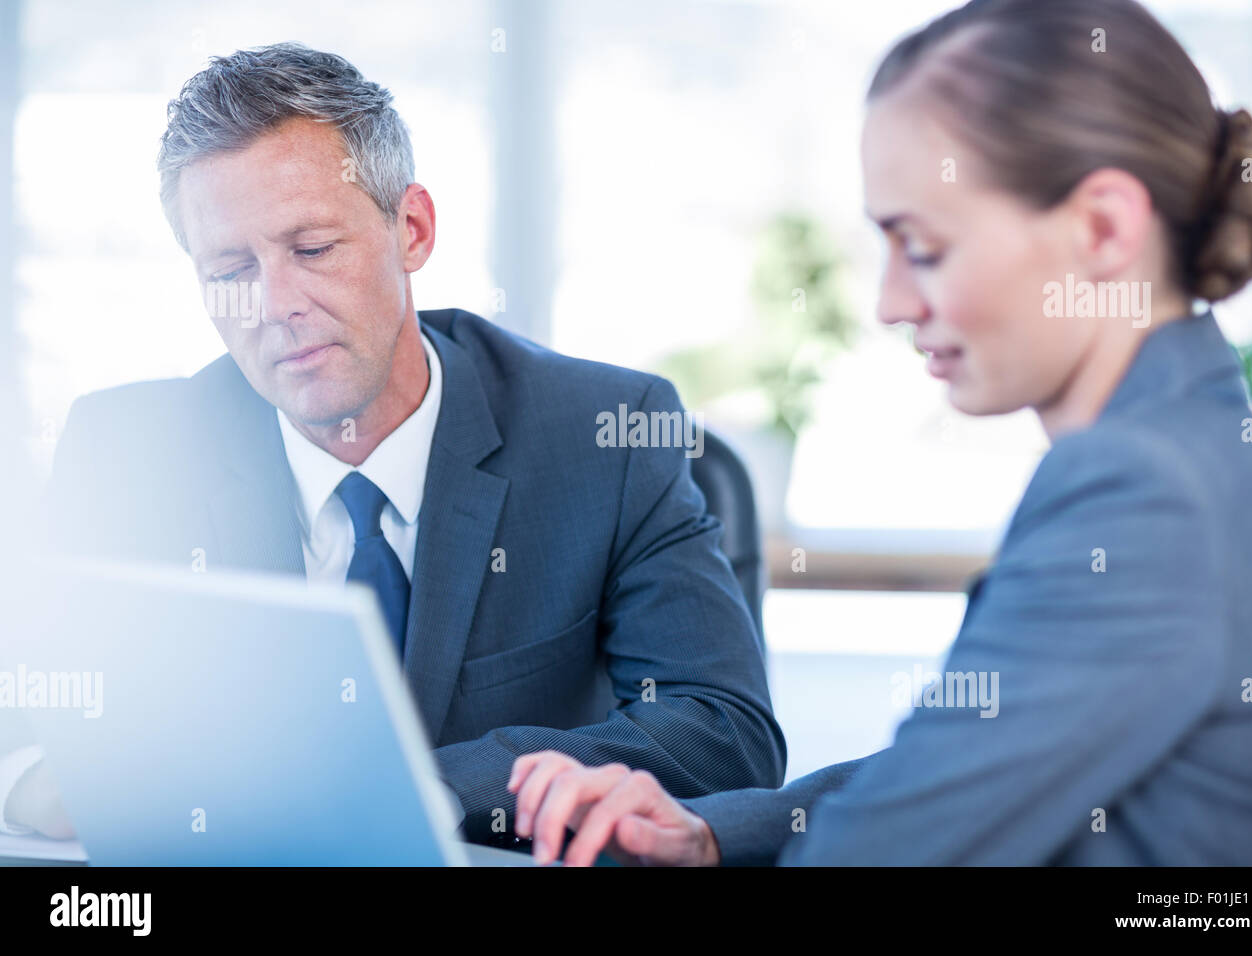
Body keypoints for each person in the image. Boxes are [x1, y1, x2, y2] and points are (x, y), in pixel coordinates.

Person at [508, 0, 1252, 866]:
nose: (890, 303)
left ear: (1103, 229)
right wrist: (709, 834)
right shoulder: (1209, 450)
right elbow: (959, 770)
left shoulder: (1142, 490)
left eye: (922, 247)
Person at [0, 43, 785, 846]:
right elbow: (24, 708)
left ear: (412, 230)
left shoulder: (603, 436)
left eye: (313, 250)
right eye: (231, 269)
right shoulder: (128, 455)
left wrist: (413, 790)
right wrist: (37, 778)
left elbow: (723, 732)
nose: (274, 304)